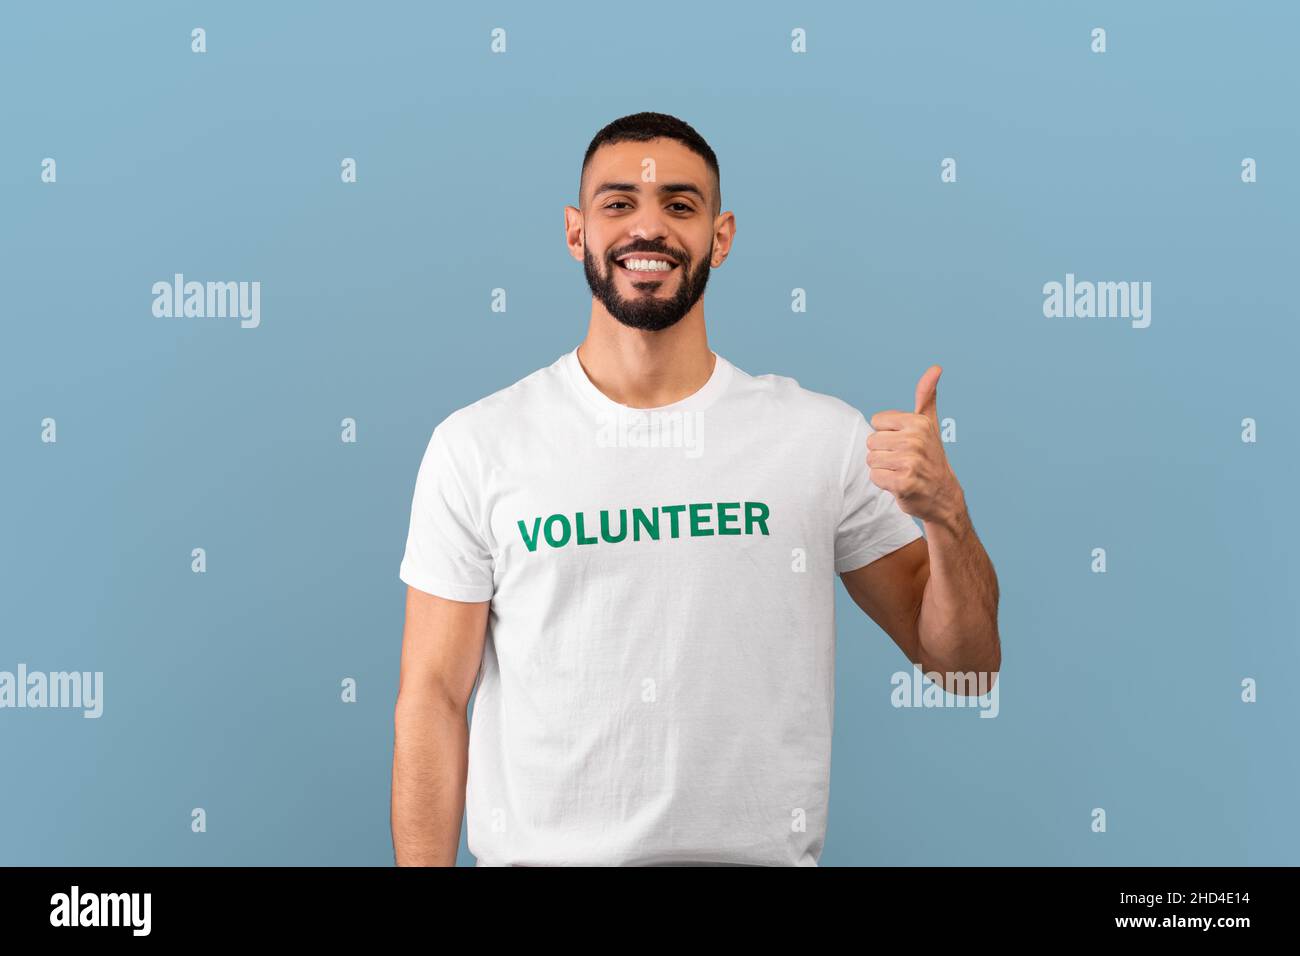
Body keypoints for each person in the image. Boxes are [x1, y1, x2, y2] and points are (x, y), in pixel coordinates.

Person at [391, 112, 1000, 866]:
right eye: (619, 204)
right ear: (576, 232)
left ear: (723, 235)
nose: (649, 229)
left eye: (680, 206)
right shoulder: (478, 445)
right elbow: (433, 700)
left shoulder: (819, 440)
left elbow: (965, 668)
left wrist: (948, 519)